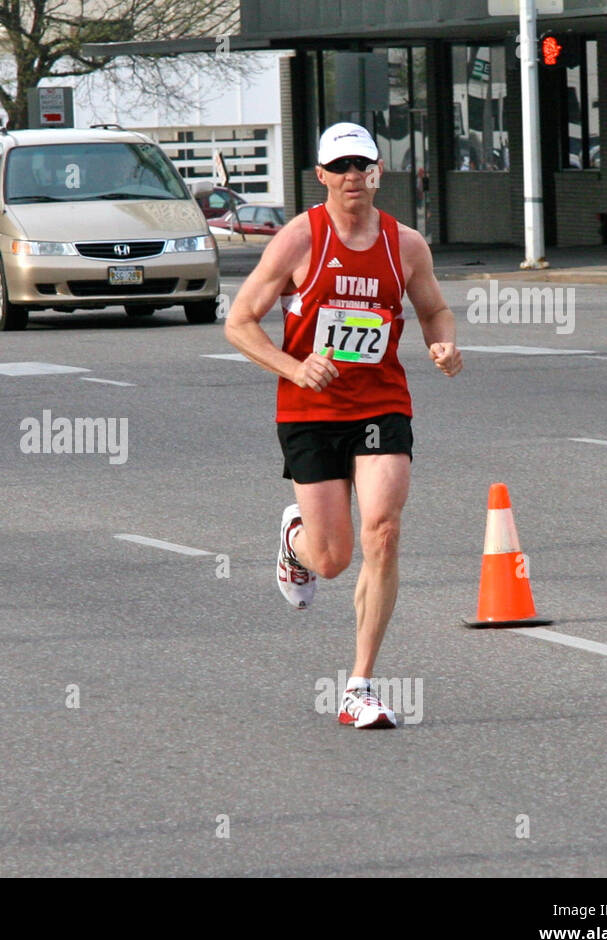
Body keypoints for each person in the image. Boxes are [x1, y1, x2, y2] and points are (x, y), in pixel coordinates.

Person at [224, 122, 463, 729]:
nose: (353, 175)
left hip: (381, 403)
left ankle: (359, 686)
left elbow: (434, 308)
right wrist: (294, 367)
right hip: (309, 411)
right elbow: (240, 321)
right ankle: (296, 542)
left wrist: (442, 345)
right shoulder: (300, 238)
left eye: (363, 165)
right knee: (332, 560)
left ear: (378, 172)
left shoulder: (405, 244)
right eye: (341, 166)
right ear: (322, 176)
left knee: (383, 530)